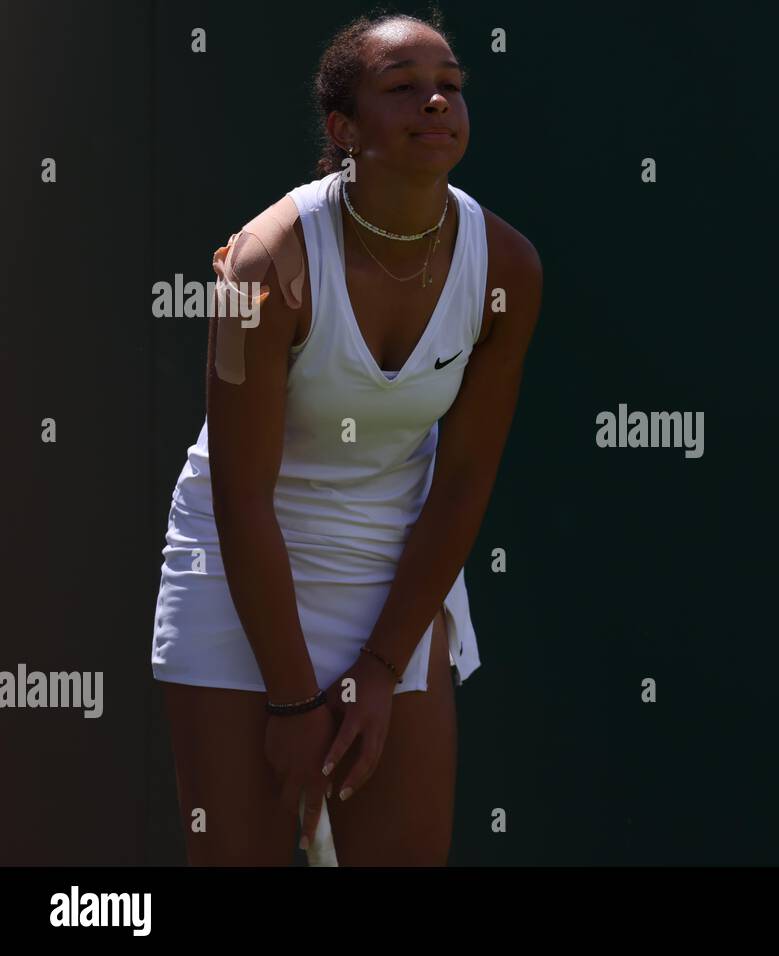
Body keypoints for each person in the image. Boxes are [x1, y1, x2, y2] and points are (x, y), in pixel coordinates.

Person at [150, 9, 542, 865]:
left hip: (393, 572)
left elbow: (466, 476)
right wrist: (292, 701)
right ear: (344, 129)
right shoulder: (264, 263)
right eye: (402, 89)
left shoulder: (507, 269)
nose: (436, 101)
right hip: (236, 568)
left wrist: (380, 662)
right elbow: (239, 492)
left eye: (450, 86)